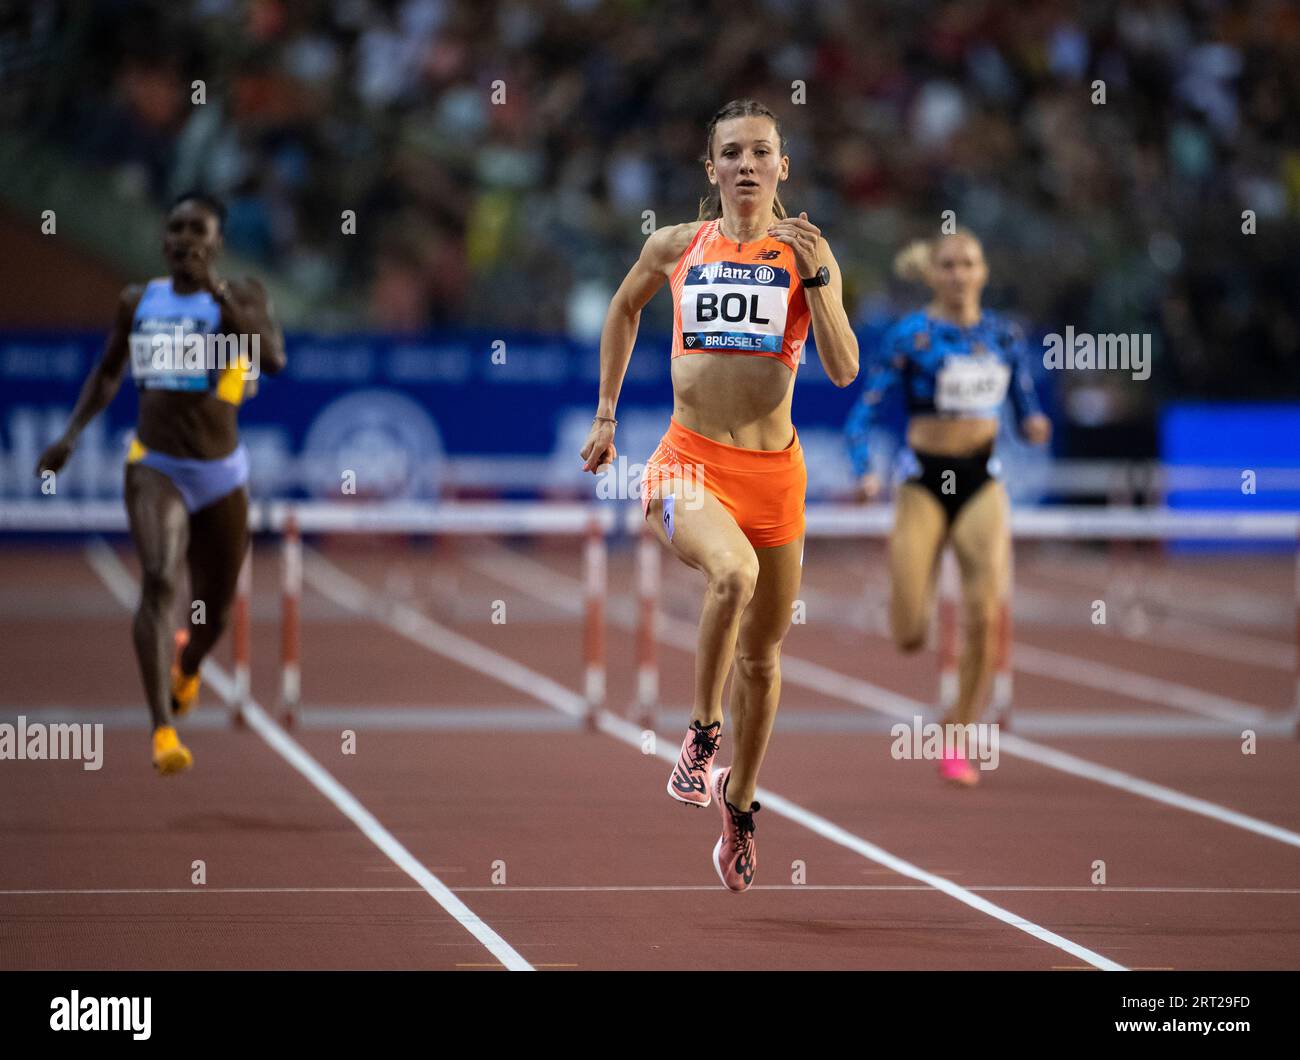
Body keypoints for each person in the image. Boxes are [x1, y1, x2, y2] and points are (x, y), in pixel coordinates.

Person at [580, 100, 859, 891]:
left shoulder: (808, 249)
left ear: (782, 168)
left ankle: (738, 807)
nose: (745, 164)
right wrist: (606, 412)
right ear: (711, 170)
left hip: (775, 476)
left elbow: (842, 367)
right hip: (686, 463)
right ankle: (702, 733)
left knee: (764, 661)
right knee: (733, 576)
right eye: (730, 152)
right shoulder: (675, 244)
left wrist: (819, 280)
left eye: (760, 152)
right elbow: (622, 307)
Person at [37, 191, 285, 774]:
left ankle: (190, 666)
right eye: (176, 229)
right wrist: (70, 437)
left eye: (198, 230)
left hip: (221, 474)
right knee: (156, 580)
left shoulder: (243, 295)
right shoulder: (137, 301)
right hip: (155, 466)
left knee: (215, 613)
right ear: (162, 240)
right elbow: (107, 372)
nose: (185, 239)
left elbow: (271, 359)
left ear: (218, 241)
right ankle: (163, 733)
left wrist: (219, 295)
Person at [846, 230, 1050, 786]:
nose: (959, 274)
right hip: (922, 481)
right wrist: (864, 470)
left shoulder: (1004, 336)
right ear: (933, 274)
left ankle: (957, 735)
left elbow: (1026, 405)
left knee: (986, 614)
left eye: (969, 264)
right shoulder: (911, 336)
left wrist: (1033, 425)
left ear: (982, 272)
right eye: (949, 265)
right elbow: (862, 412)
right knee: (910, 630)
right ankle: (914, 603)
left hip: (982, 480)